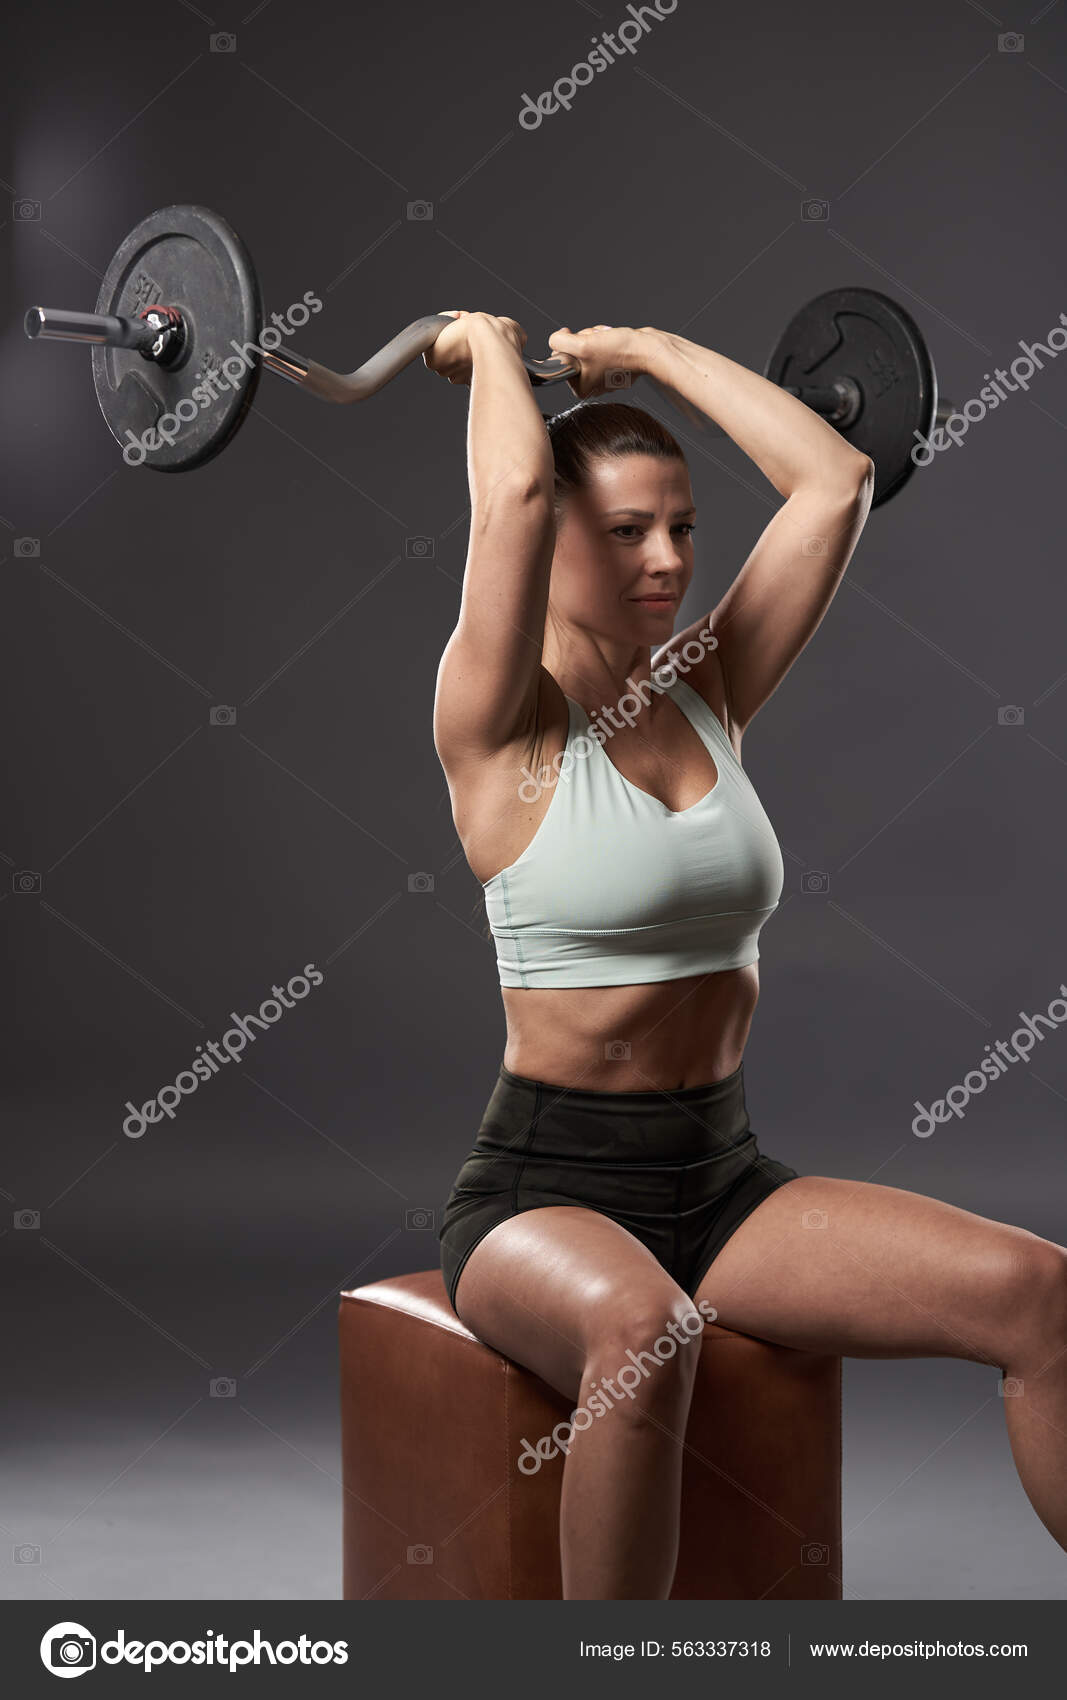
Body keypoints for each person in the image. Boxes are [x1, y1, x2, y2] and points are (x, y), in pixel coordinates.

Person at [424, 311, 1067, 1600]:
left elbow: (836, 478)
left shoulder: (706, 692)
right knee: (642, 1330)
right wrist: (487, 353)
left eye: (683, 528)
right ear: (553, 540)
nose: (666, 560)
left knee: (1039, 1295)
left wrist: (651, 349)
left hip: (715, 1179)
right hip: (541, 1191)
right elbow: (503, 493)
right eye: (624, 532)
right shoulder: (500, 724)